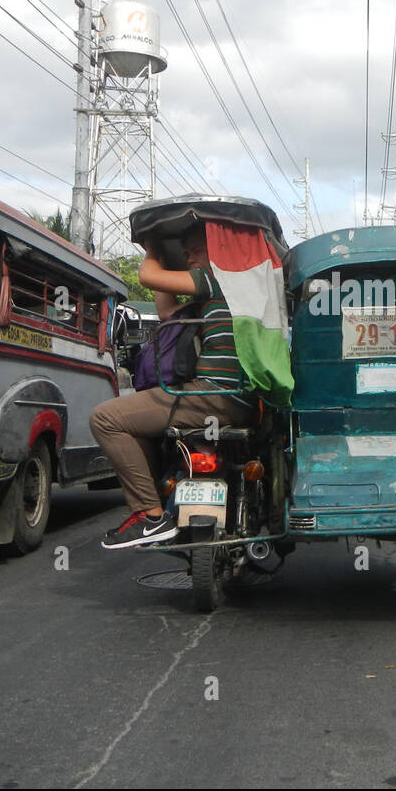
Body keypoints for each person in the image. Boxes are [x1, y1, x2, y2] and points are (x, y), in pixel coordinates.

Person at [93, 223, 256, 548]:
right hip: (239, 401)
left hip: (211, 395)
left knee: (105, 418)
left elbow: (147, 277)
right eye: (186, 253)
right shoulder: (239, 290)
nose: (191, 258)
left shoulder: (216, 278)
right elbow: (166, 310)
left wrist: (153, 249)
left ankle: (151, 517)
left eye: (196, 250)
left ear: (220, 251)